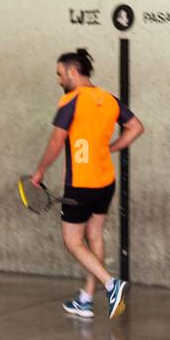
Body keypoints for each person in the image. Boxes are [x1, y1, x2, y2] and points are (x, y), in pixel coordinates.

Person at [30, 48, 143, 319]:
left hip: (81, 183)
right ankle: (86, 300)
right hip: (106, 181)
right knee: (94, 237)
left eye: (59, 75)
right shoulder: (109, 99)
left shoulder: (71, 100)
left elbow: (57, 141)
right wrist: (112, 148)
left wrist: (40, 172)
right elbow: (137, 127)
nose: (58, 81)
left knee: (73, 241)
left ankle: (110, 284)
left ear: (72, 72)